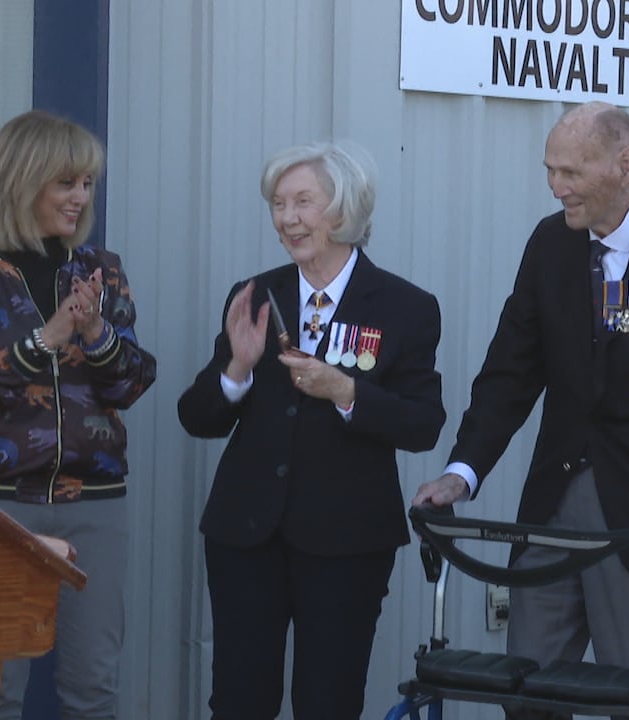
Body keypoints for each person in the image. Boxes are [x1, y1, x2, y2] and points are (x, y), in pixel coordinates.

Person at [412, 101, 629, 715]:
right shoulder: (551, 245)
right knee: (528, 692)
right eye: (550, 169)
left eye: (571, 171)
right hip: (554, 506)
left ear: (625, 164)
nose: (556, 186)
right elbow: (510, 372)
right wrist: (461, 473)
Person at [177, 141, 445, 719]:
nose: (287, 218)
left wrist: (346, 391)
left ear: (344, 208)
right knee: (239, 702)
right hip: (246, 537)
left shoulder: (404, 306)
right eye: (278, 204)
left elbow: (423, 423)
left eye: (303, 202)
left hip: (348, 543)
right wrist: (238, 367)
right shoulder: (255, 296)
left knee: (329, 703)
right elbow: (197, 417)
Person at [0, 109, 157, 720]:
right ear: (22, 180)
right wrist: (43, 341)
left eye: (87, 184)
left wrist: (98, 333)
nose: (81, 197)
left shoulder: (101, 270)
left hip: (95, 505)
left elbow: (130, 385)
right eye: (66, 182)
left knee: (92, 691)